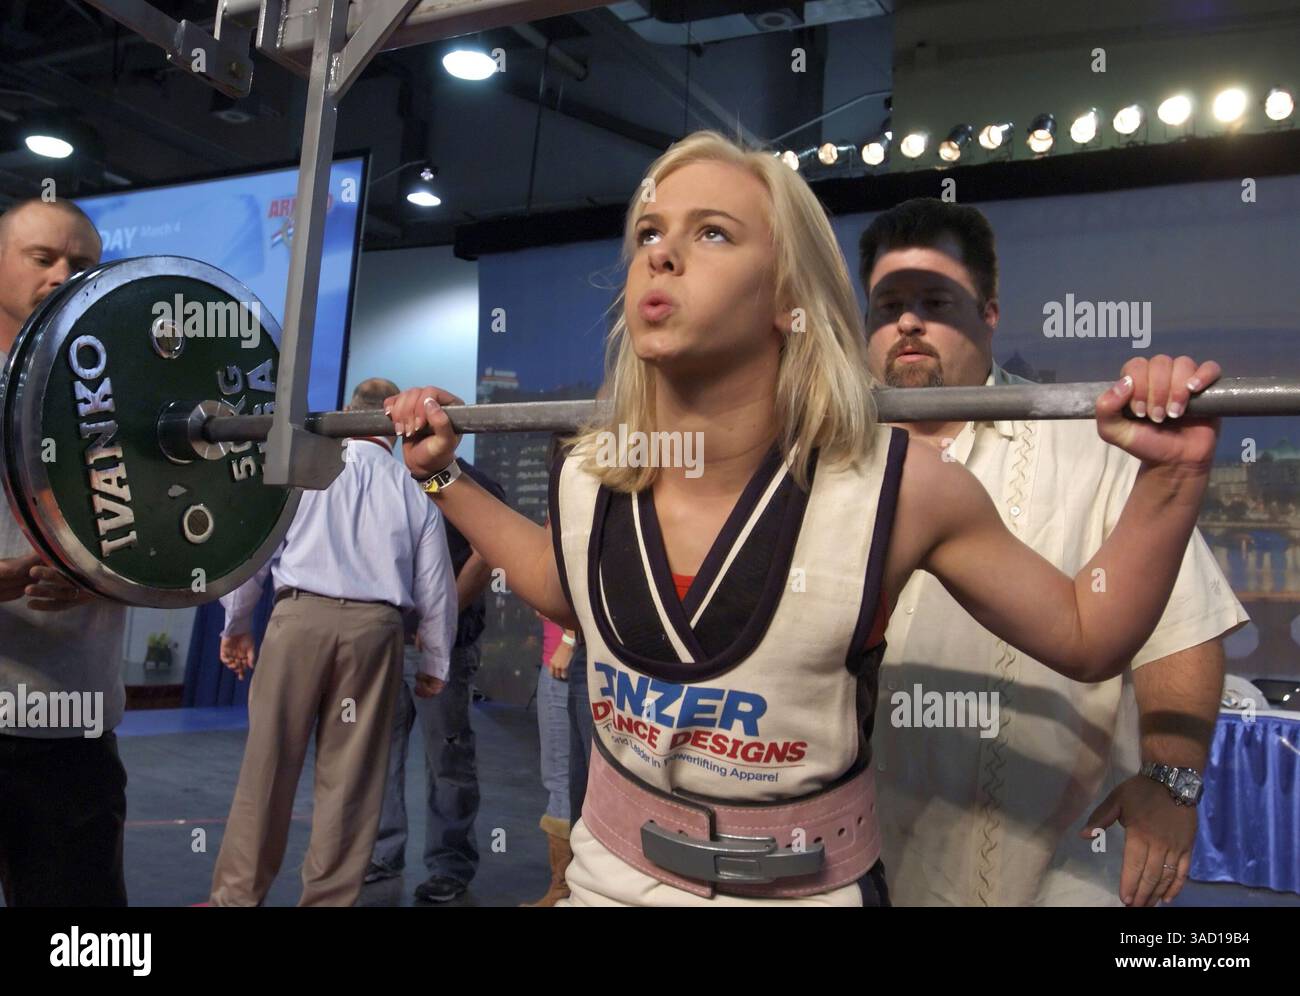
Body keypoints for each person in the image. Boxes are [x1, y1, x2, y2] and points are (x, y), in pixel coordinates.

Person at [385, 130, 1225, 907]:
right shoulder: (592, 470)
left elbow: (1085, 632)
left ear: (789, 298)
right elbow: (562, 583)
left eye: (713, 233)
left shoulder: (904, 487)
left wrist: (1171, 479)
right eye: (648, 234)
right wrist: (442, 477)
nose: (662, 254)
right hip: (607, 874)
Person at [858, 198, 1248, 908]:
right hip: (858, 871)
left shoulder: (1093, 449)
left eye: (935, 302)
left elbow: (1181, 625)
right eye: (888, 306)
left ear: (990, 314)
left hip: (1049, 872)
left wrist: (1172, 782)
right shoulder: (828, 462)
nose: (908, 323)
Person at [209, 378, 458, 907]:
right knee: (351, 782)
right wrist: (435, 661)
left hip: (298, 622)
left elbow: (253, 556)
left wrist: (236, 627)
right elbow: (437, 584)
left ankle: (235, 900)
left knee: (266, 768)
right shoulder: (412, 487)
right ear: (393, 427)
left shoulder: (304, 470)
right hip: (375, 634)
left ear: (348, 412)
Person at [0, 197, 129, 906]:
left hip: (71, 724)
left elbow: (165, 552)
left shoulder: (128, 405)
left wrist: (102, 580)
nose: (61, 275)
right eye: (41, 257)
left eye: (81, 264)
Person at [367, 456, 503, 905]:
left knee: (448, 757)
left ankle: (450, 866)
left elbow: (488, 553)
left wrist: (439, 620)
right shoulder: (392, 480)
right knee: (381, 753)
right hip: (388, 639)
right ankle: (383, 853)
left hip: (447, 646)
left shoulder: (474, 485)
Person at [523, 608, 575, 906]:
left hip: (564, 663)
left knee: (561, 777)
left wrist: (569, 640)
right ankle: (567, 887)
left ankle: (562, 889)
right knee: (565, 778)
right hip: (563, 658)